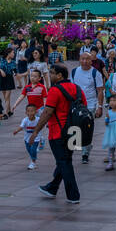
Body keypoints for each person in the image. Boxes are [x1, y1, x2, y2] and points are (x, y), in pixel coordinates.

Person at [37, 64, 83, 204]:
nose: (49, 75)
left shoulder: (55, 90)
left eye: (51, 73)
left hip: (58, 131)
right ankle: (52, 187)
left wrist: (36, 130)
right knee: (65, 160)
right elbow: (83, 107)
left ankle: (73, 195)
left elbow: (48, 111)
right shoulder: (78, 89)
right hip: (76, 131)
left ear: (59, 76)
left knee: (64, 162)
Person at [70, 51, 105, 165]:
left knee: (87, 128)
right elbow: (71, 89)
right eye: (82, 59)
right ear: (79, 60)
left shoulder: (95, 73)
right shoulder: (74, 72)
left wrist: (99, 106)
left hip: (90, 105)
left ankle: (85, 153)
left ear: (91, 61)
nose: (84, 61)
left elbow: (100, 91)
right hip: (76, 105)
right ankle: (73, 149)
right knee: (74, 127)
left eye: (87, 59)